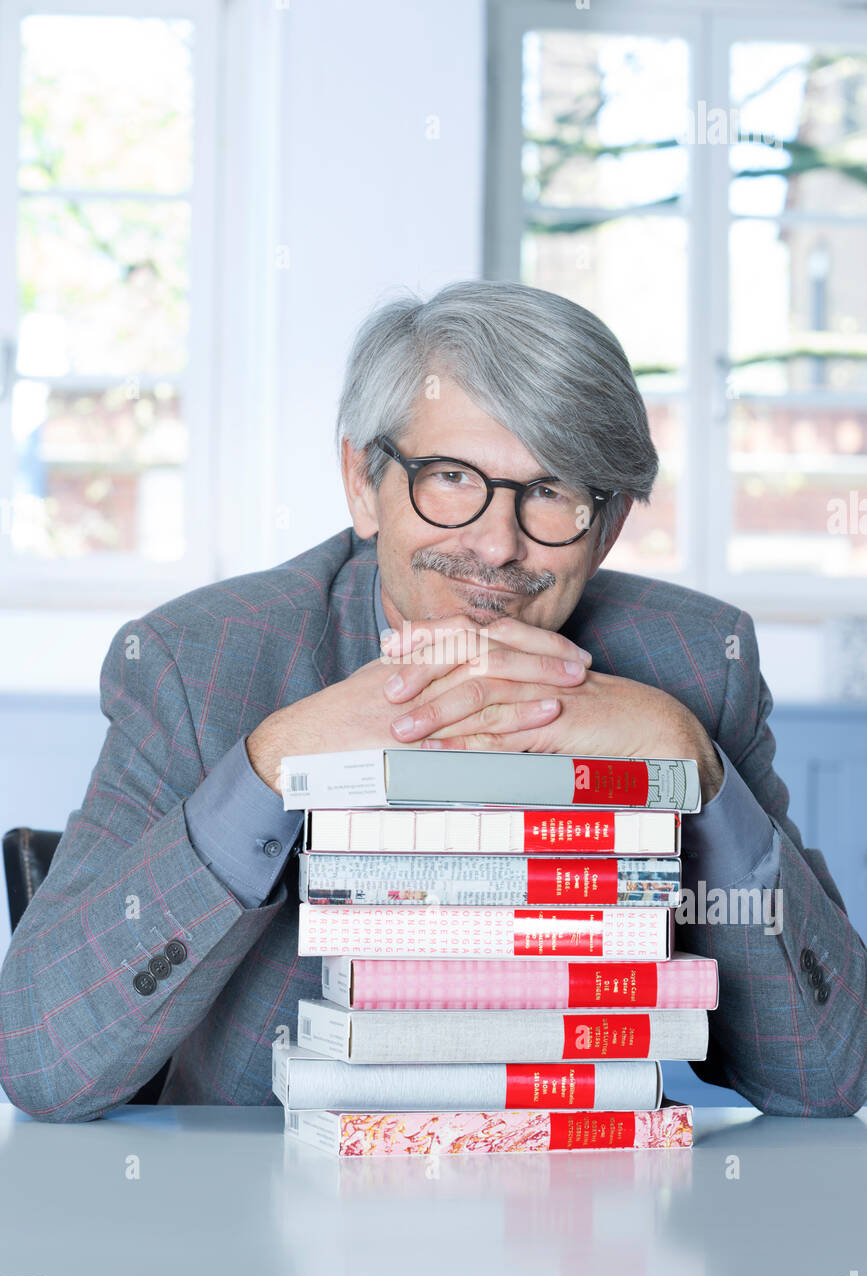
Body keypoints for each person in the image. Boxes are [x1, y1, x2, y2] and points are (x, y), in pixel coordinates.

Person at [1, 280, 863, 1119]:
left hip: (581, 1211)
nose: (494, 546)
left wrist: (700, 775)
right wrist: (266, 768)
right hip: (265, 1217)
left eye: (552, 493)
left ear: (607, 529)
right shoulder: (198, 662)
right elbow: (44, 1063)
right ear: (360, 481)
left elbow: (826, 1079)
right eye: (451, 477)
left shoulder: (696, 666)